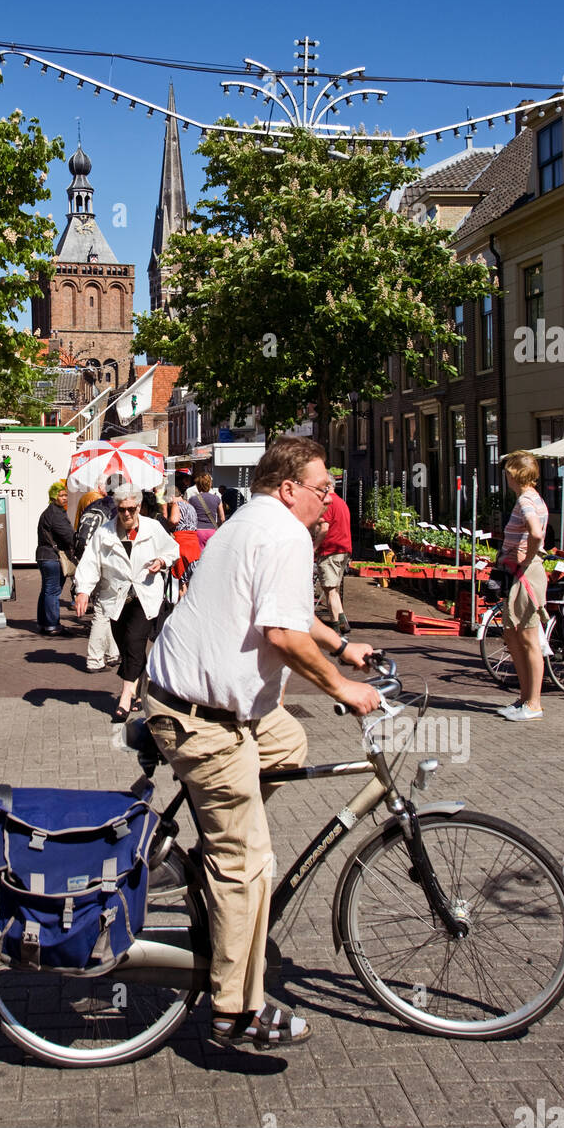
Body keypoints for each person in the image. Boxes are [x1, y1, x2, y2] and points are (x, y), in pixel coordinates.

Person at [143, 437, 379, 1051]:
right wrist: (345, 686)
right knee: (251, 865)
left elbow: (289, 611)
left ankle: (205, 848)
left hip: (210, 700)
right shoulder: (284, 534)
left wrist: (341, 644)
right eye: (323, 488)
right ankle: (234, 1012)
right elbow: (280, 635)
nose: (330, 500)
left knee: (289, 739)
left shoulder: (252, 520)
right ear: (288, 488)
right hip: (201, 718)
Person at [74, 484, 179, 721]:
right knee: (127, 646)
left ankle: (125, 696)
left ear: (139, 507)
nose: (127, 514)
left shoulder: (153, 528)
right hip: (117, 598)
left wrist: (162, 561)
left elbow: (173, 549)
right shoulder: (105, 533)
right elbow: (91, 563)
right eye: (122, 510)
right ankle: (141, 690)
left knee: (134, 640)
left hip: (145, 595)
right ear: (117, 509)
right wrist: (83, 591)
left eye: (131, 509)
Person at [497, 451, 549, 721]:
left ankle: (534, 704)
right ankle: (524, 698)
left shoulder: (526, 499)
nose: (505, 475)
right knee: (513, 634)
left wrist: (527, 557)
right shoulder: (532, 498)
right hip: (518, 573)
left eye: (507, 471)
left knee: (528, 639)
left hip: (525, 574)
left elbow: (536, 532)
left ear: (514, 475)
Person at [74, 480, 120, 672]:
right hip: (105, 562)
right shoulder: (116, 509)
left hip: (86, 559)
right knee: (102, 611)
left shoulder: (92, 505)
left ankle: (112, 653)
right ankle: (94, 659)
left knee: (107, 608)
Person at [35, 480, 76, 636]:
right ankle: (52, 625)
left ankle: (43, 623)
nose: (65, 498)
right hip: (52, 557)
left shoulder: (48, 512)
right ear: (53, 497)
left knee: (46, 590)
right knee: (53, 591)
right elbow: (68, 536)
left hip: (44, 556)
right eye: (61, 495)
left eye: (66, 495)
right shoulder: (56, 514)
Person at [315, 478, 353, 635]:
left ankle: (336, 627)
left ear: (328, 486)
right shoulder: (341, 502)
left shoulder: (329, 503)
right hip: (343, 549)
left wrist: (314, 547)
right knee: (333, 589)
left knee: (330, 590)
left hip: (330, 550)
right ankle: (343, 623)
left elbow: (324, 527)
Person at [192, 472, 225, 549]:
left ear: (198, 486)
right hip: (212, 531)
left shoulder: (193, 499)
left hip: (198, 531)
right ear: (210, 485)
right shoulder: (217, 498)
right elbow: (222, 518)